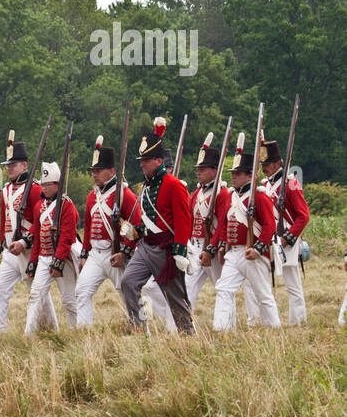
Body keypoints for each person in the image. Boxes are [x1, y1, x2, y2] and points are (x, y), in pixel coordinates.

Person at [73, 135, 173, 328]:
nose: (94, 174)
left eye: (98, 170)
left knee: (126, 291)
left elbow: (135, 228)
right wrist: (85, 253)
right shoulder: (91, 197)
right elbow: (87, 228)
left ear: (111, 171)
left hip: (115, 253)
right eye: (93, 171)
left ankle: (141, 326)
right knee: (82, 291)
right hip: (95, 254)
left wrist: (124, 252)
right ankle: (83, 331)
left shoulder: (125, 195)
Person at [119, 118, 195, 334]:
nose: (142, 163)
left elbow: (183, 220)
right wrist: (133, 232)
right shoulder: (145, 186)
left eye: (147, 159)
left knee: (176, 299)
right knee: (128, 282)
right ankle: (140, 328)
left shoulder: (174, 185)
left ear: (159, 160)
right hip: (145, 246)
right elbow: (147, 220)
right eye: (142, 159)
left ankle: (188, 336)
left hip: (166, 250)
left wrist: (180, 251)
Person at [211, 135, 281, 330]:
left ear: (250, 176)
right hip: (234, 253)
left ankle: (274, 329)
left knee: (263, 294)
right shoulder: (231, 197)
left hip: (253, 253)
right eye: (233, 173)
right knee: (223, 288)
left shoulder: (259, 197)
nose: (233, 177)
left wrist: (258, 249)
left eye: (238, 173)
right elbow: (225, 224)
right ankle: (222, 328)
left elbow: (269, 226)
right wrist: (223, 245)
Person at [0, 130, 43, 335]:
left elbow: (41, 222)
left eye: (13, 165)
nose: (9, 168)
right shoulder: (6, 190)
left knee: (38, 295)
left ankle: (48, 330)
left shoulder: (36, 189)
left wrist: (25, 242)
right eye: (8, 165)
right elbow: (4, 220)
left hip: (29, 250)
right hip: (11, 252)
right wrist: (3, 243)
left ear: (25, 165)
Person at [255, 138, 311, 326]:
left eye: (268, 164)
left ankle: (298, 322)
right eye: (263, 164)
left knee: (292, 284)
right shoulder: (267, 184)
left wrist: (287, 239)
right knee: (262, 280)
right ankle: (266, 321)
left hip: (287, 237)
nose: (265, 168)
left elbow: (303, 216)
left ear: (278, 164)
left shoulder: (290, 183)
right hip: (270, 237)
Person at [24, 162, 81, 334]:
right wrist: (33, 262)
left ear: (58, 184)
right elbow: (38, 238)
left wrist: (58, 261)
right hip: (44, 257)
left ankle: (78, 332)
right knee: (35, 296)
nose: (44, 187)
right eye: (43, 184)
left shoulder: (66, 206)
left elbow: (67, 236)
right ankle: (29, 335)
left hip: (63, 259)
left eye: (48, 184)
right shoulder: (39, 206)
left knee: (69, 300)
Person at [185, 133, 227, 306]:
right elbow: (190, 220)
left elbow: (223, 224)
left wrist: (211, 249)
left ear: (215, 171)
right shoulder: (197, 193)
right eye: (198, 168)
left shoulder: (222, 194)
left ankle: (226, 326)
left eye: (203, 168)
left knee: (223, 288)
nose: (198, 171)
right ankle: (184, 327)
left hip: (212, 247)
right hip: (195, 247)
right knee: (187, 288)